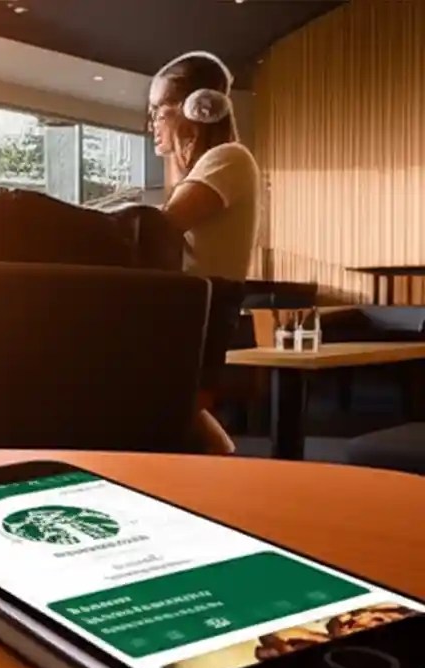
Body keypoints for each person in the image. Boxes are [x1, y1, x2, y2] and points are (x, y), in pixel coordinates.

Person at [149, 52, 262, 453]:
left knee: (185, 409)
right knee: (183, 411)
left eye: (159, 111)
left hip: (208, 302)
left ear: (197, 107)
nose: (153, 124)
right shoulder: (207, 164)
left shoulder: (227, 157)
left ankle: (224, 488)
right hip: (195, 300)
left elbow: (165, 225)